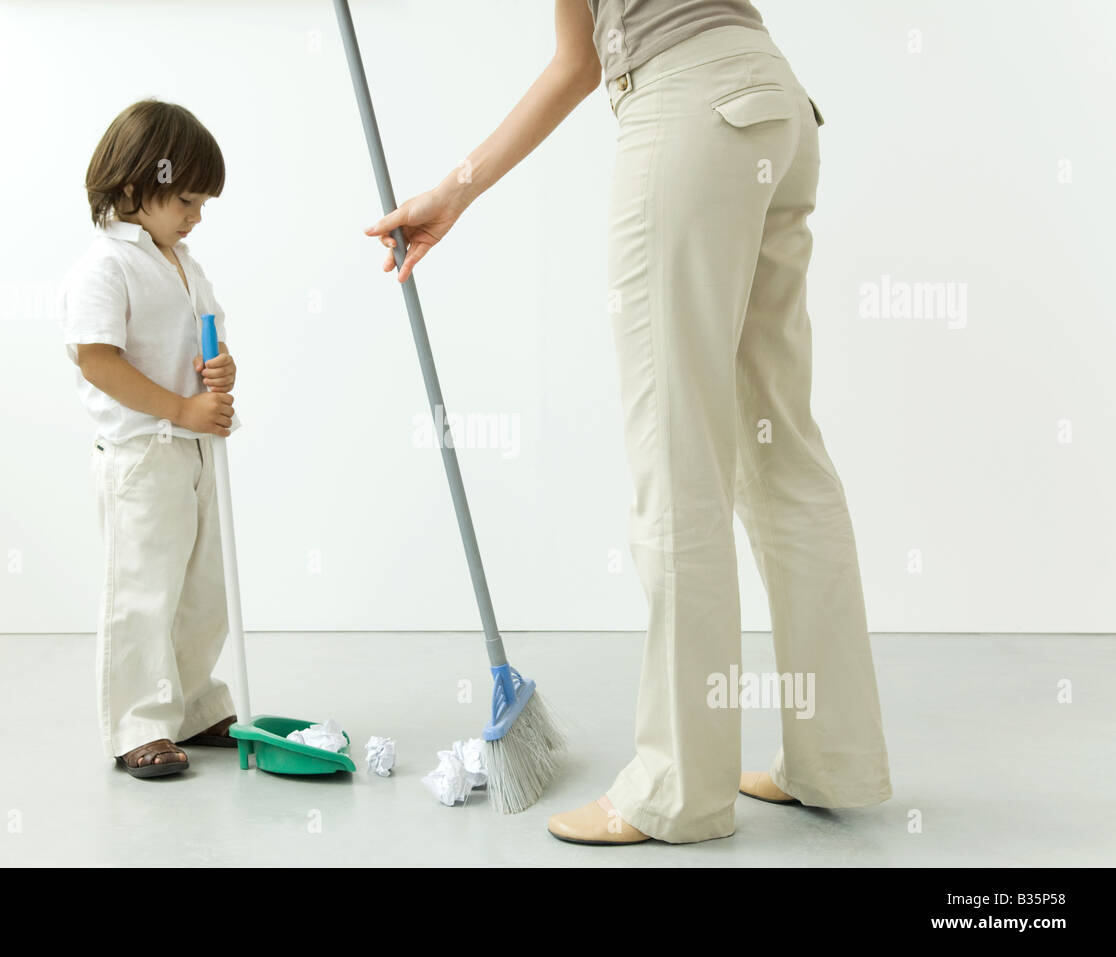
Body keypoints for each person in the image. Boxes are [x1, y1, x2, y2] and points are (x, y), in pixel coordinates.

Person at [364, 1, 893, 843]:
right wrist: (453, 196)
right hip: (775, 104)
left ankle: (678, 791)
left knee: (677, 456)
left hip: (688, 115)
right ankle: (836, 757)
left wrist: (450, 193)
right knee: (782, 449)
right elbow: (579, 62)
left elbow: (577, 57)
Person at [57, 99, 243, 778]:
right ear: (136, 190)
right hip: (143, 455)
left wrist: (222, 369)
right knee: (144, 589)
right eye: (188, 199)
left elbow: (209, 342)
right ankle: (137, 721)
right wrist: (178, 409)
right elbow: (98, 360)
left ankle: (191, 702)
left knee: (204, 586)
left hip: (196, 451)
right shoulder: (106, 267)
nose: (197, 215)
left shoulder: (184, 263)